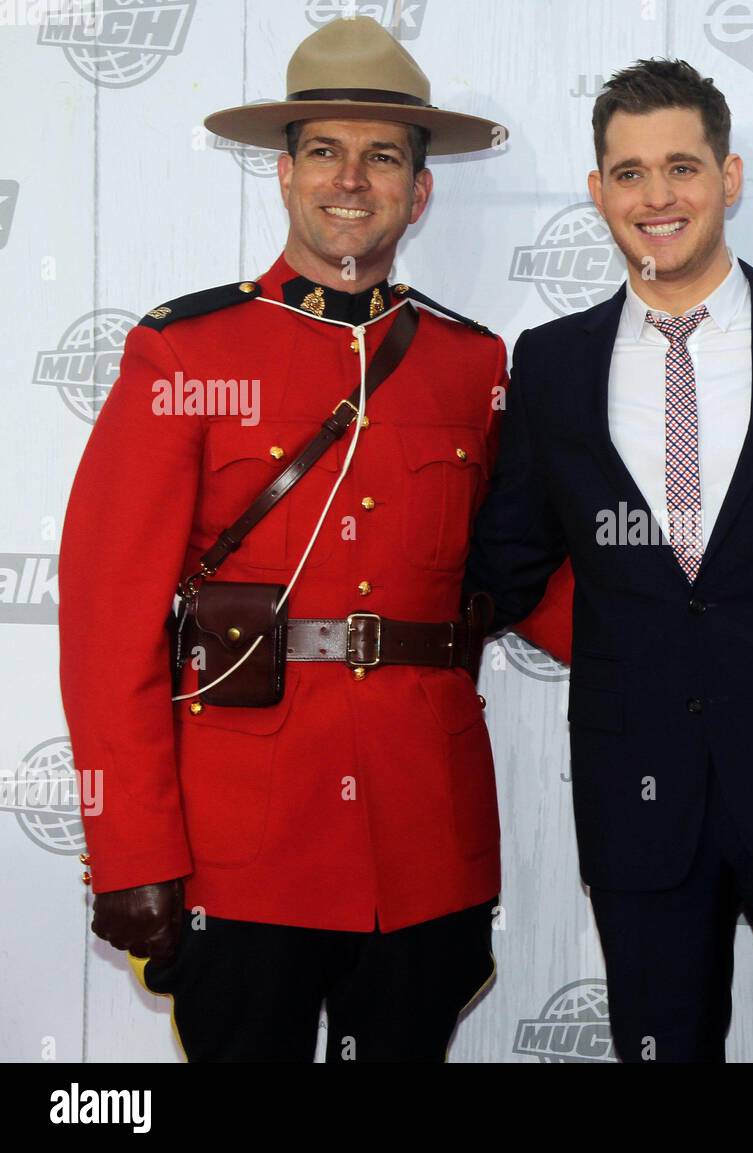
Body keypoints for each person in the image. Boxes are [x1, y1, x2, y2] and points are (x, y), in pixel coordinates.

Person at [58, 15, 557, 1062]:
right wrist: (133, 852)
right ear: (283, 175)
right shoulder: (183, 352)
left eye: (383, 156)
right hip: (245, 848)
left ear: (420, 191)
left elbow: (522, 576)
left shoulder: (473, 367)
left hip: (425, 838)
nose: (352, 178)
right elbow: (109, 631)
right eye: (325, 150)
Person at [464, 58, 753, 1062]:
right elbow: (509, 553)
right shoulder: (549, 363)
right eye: (628, 174)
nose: (656, 197)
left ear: (729, 176)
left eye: (681, 167)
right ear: (597, 193)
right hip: (637, 786)